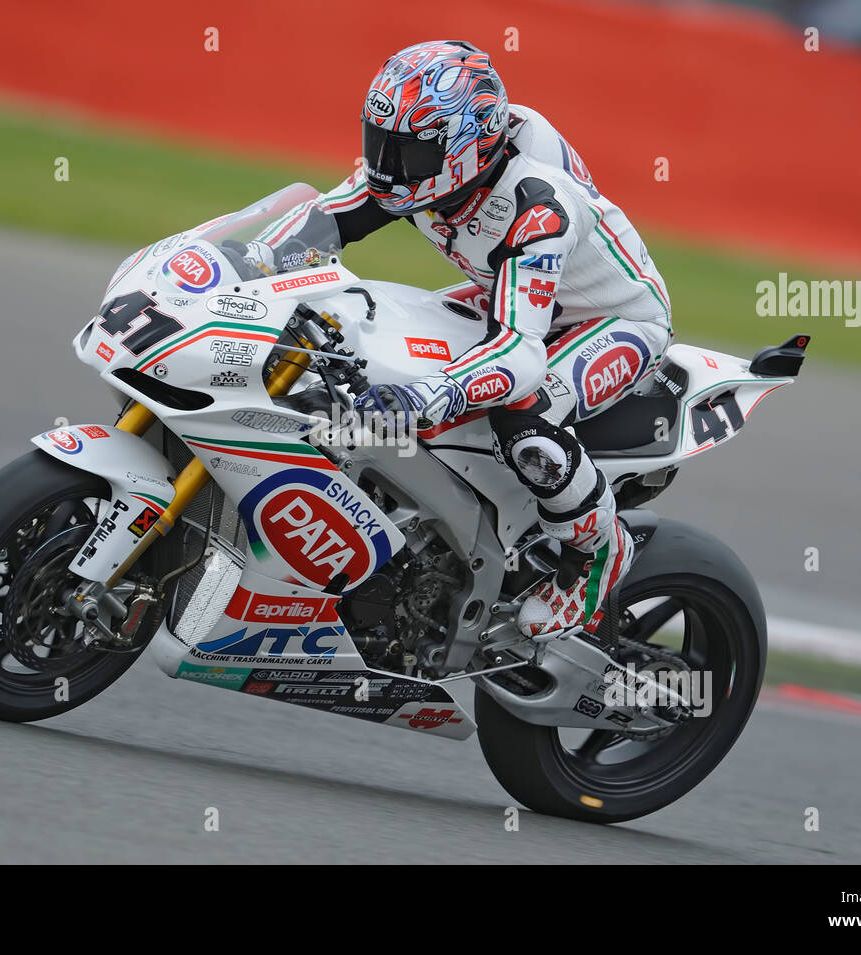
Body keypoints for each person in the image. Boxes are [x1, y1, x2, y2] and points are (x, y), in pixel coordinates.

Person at [272, 40, 672, 638]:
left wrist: (427, 396)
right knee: (352, 332)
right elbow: (322, 227)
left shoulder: (538, 205)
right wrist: (246, 264)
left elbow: (519, 353)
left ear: (467, 146)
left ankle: (594, 555)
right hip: (508, 294)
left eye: (404, 150)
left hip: (610, 321)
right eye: (378, 141)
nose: (386, 164)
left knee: (524, 419)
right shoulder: (419, 172)